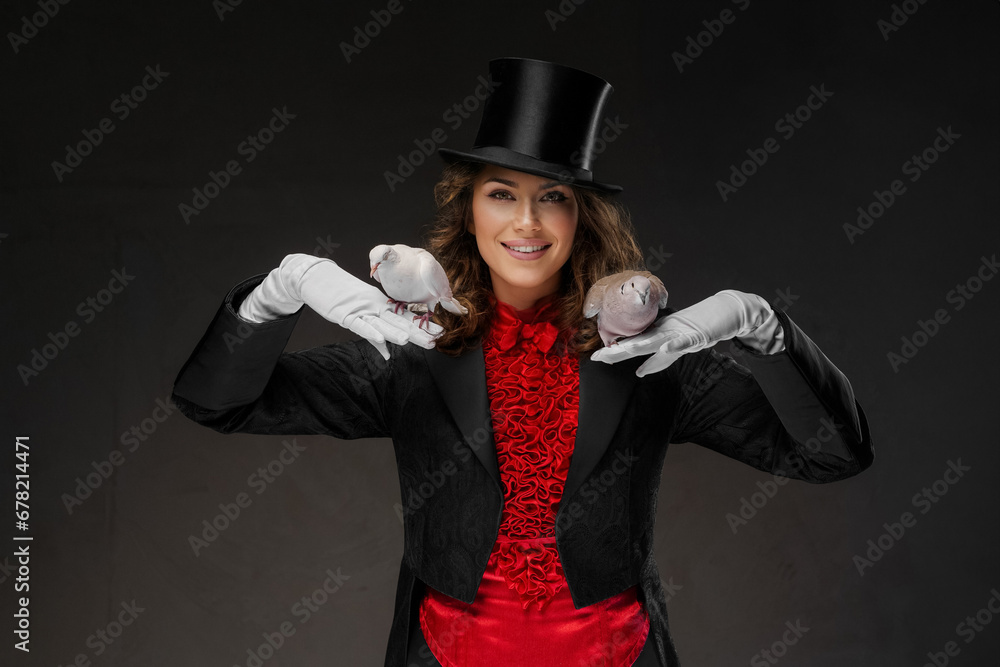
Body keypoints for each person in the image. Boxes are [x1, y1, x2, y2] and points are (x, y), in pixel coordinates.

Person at [171, 57, 874, 667]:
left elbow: (831, 454)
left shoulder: (651, 356)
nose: (527, 224)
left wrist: (765, 327)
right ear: (470, 211)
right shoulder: (412, 353)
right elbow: (217, 402)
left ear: (581, 219)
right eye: (502, 194)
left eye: (554, 199)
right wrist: (277, 291)